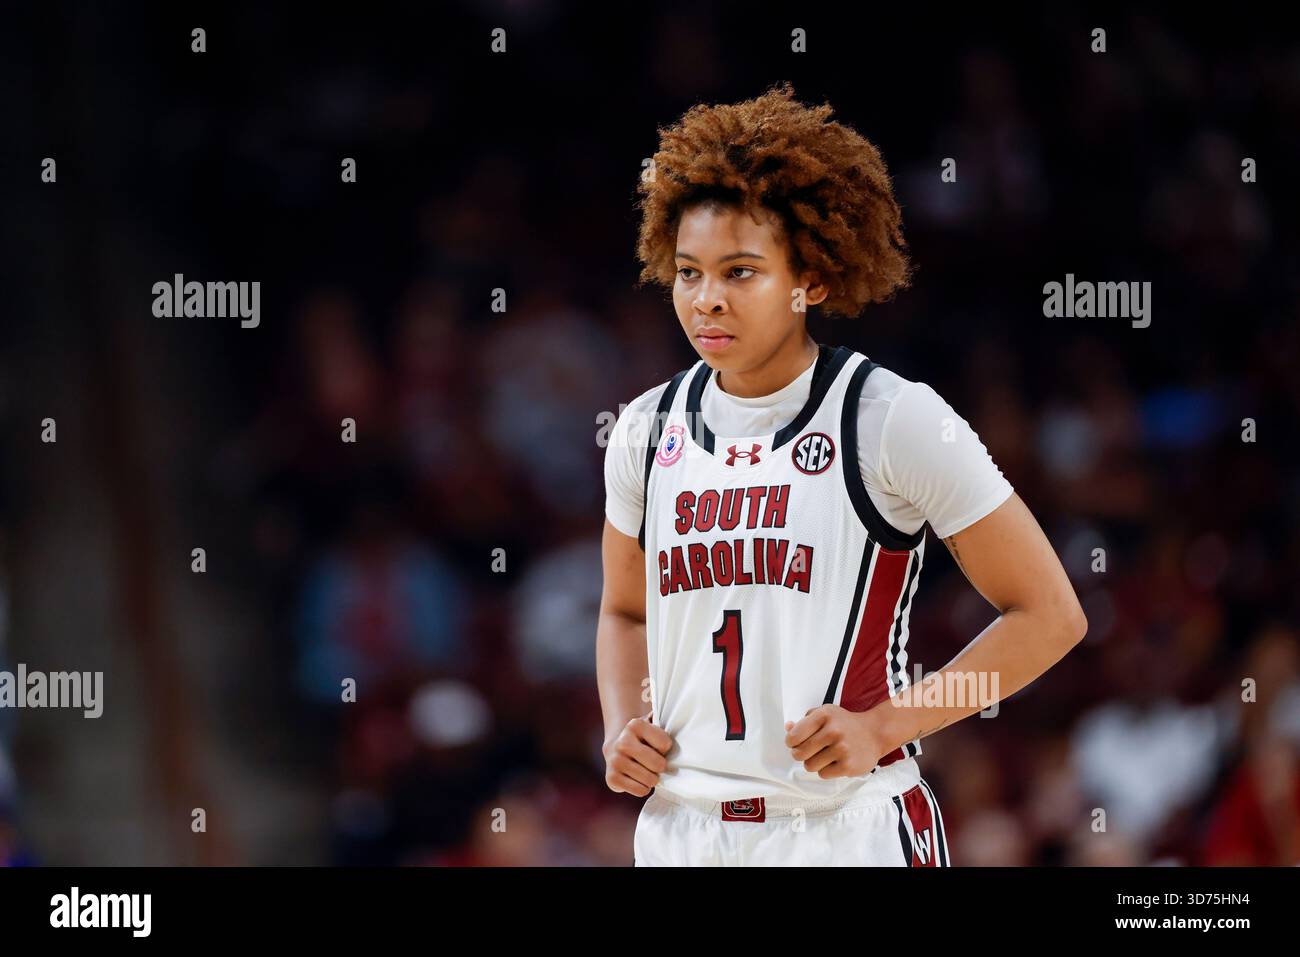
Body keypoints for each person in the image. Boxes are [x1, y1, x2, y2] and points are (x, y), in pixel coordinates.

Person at [597, 83, 1087, 866]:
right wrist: (624, 721)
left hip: (843, 828)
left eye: (740, 272)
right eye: (688, 272)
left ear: (812, 280)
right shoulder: (645, 428)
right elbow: (624, 612)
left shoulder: (890, 417)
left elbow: (1051, 614)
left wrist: (887, 724)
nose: (706, 300)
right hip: (682, 831)